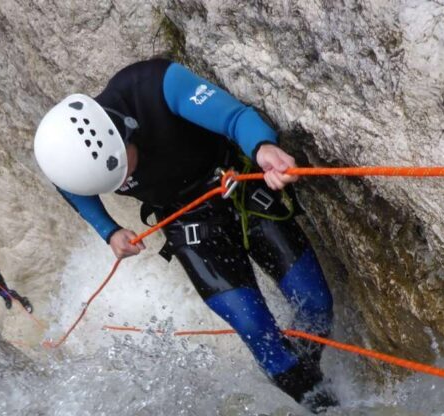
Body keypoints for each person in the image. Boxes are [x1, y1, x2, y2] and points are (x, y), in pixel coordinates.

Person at [33, 59, 335, 411]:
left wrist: (262, 148)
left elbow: (235, 118)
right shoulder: (68, 159)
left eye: (122, 171)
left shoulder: (155, 86)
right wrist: (109, 230)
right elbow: (70, 187)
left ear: (124, 132)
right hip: (188, 224)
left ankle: (306, 370)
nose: (124, 182)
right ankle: (327, 406)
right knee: (256, 330)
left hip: (238, 186)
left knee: (315, 304)